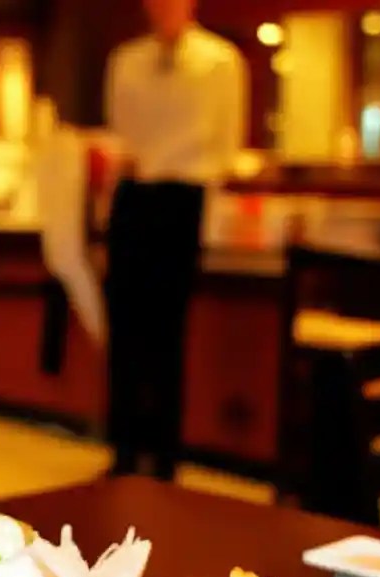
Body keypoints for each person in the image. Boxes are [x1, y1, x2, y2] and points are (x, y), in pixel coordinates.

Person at [103, 0, 246, 481]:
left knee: (167, 335)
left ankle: (165, 457)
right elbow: (121, 132)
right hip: (133, 196)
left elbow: (227, 143)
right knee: (124, 333)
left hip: (183, 200)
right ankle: (123, 449)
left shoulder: (221, 61)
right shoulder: (126, 60)